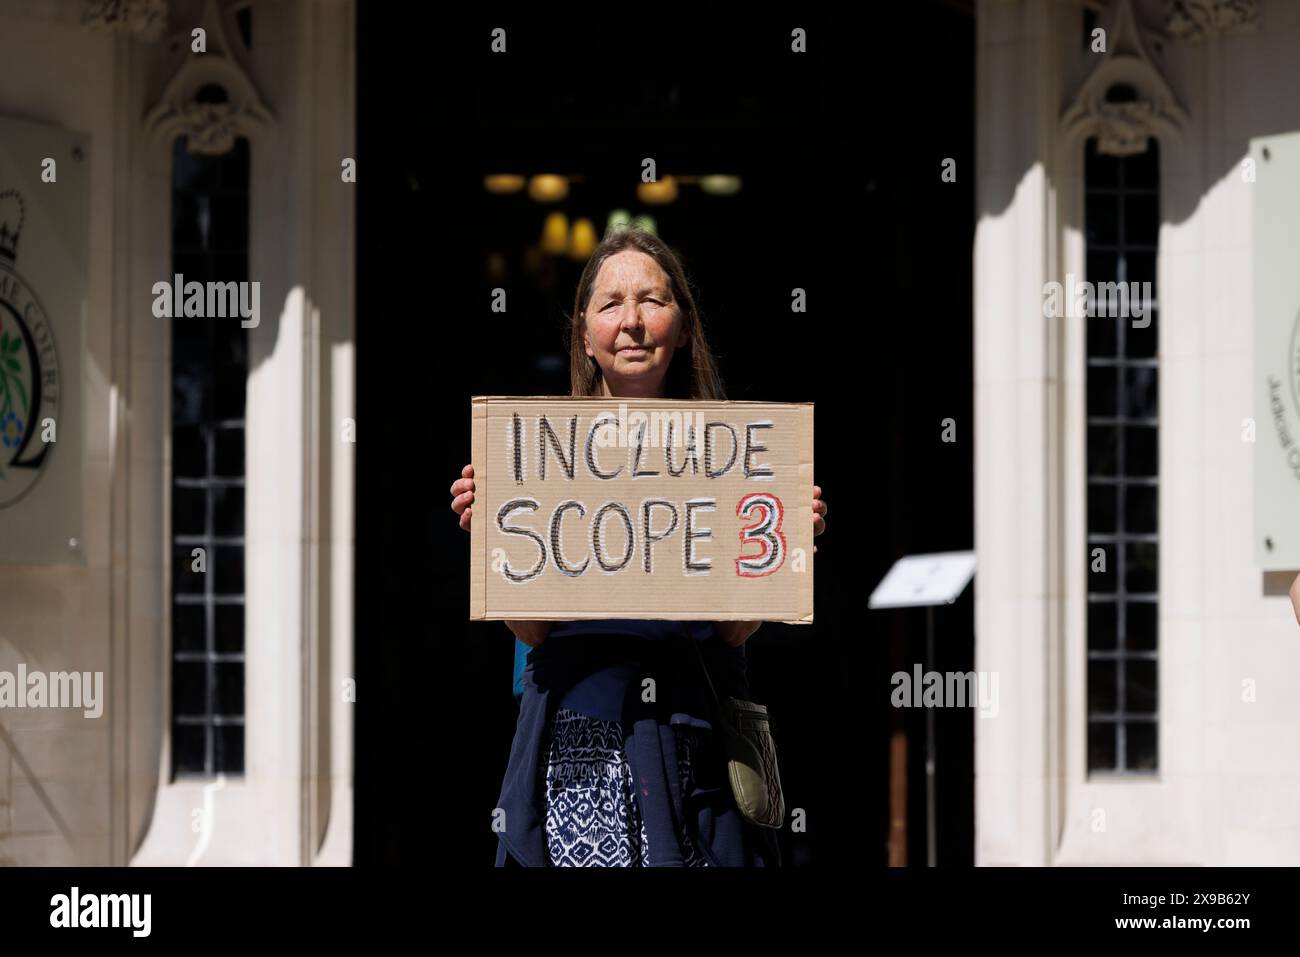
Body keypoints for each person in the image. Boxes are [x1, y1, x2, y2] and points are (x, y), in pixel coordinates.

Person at [451, 228, 827, 866]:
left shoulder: (731, 453)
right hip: (578, 751)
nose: (632, 322)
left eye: (653, 301)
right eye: (610, 304)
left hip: (696, 747)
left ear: (683, 327)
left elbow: (734, 632)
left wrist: (785, 550)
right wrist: (491, 535)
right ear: (584, 335)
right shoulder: (535, 456)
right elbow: (534, 632)